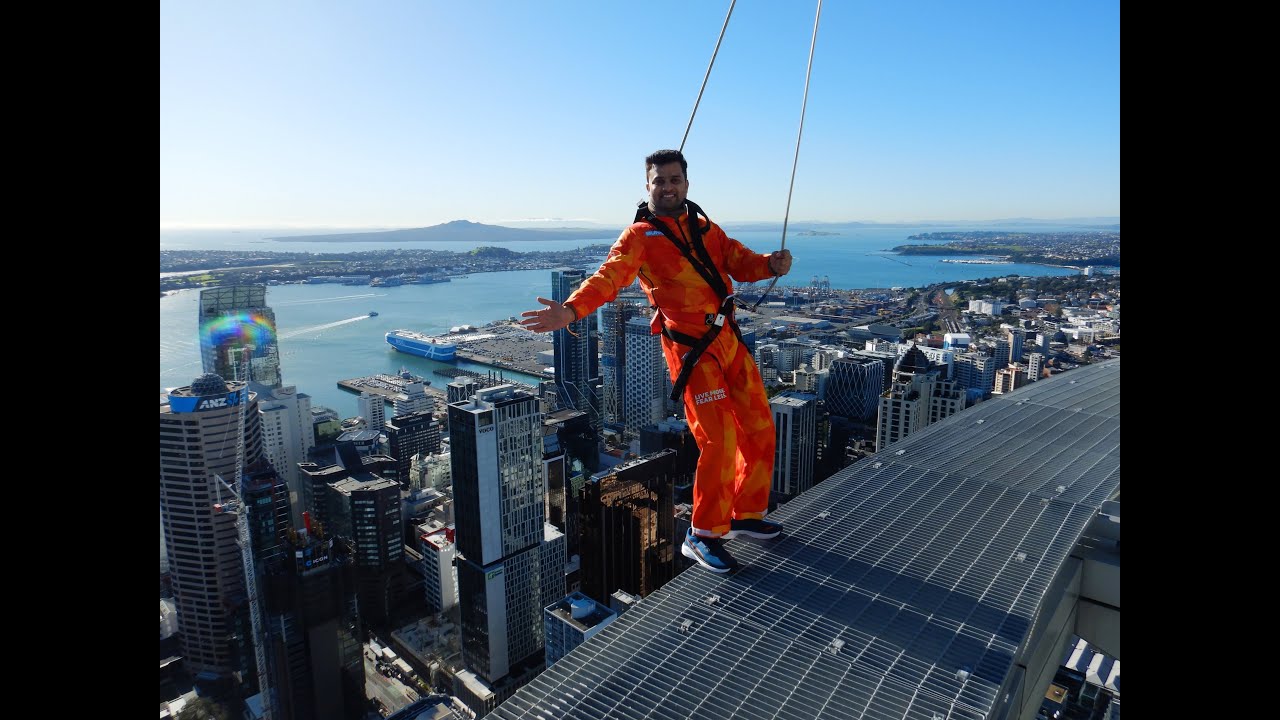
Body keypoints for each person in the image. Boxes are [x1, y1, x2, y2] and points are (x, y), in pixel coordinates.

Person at [519, 149, 792, 573]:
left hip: (728, 339)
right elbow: (608, 277)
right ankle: (702, 534)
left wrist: (769, 265)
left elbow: (738, 261)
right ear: (647, 186)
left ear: (686, 183)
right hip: (692, 349)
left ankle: (744, 514)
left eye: (674, 179)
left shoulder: (705, 227)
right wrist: (572, 310)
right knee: (719, 439)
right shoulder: (640, 237)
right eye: (659, 180)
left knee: (759, 428)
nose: (667, 187)